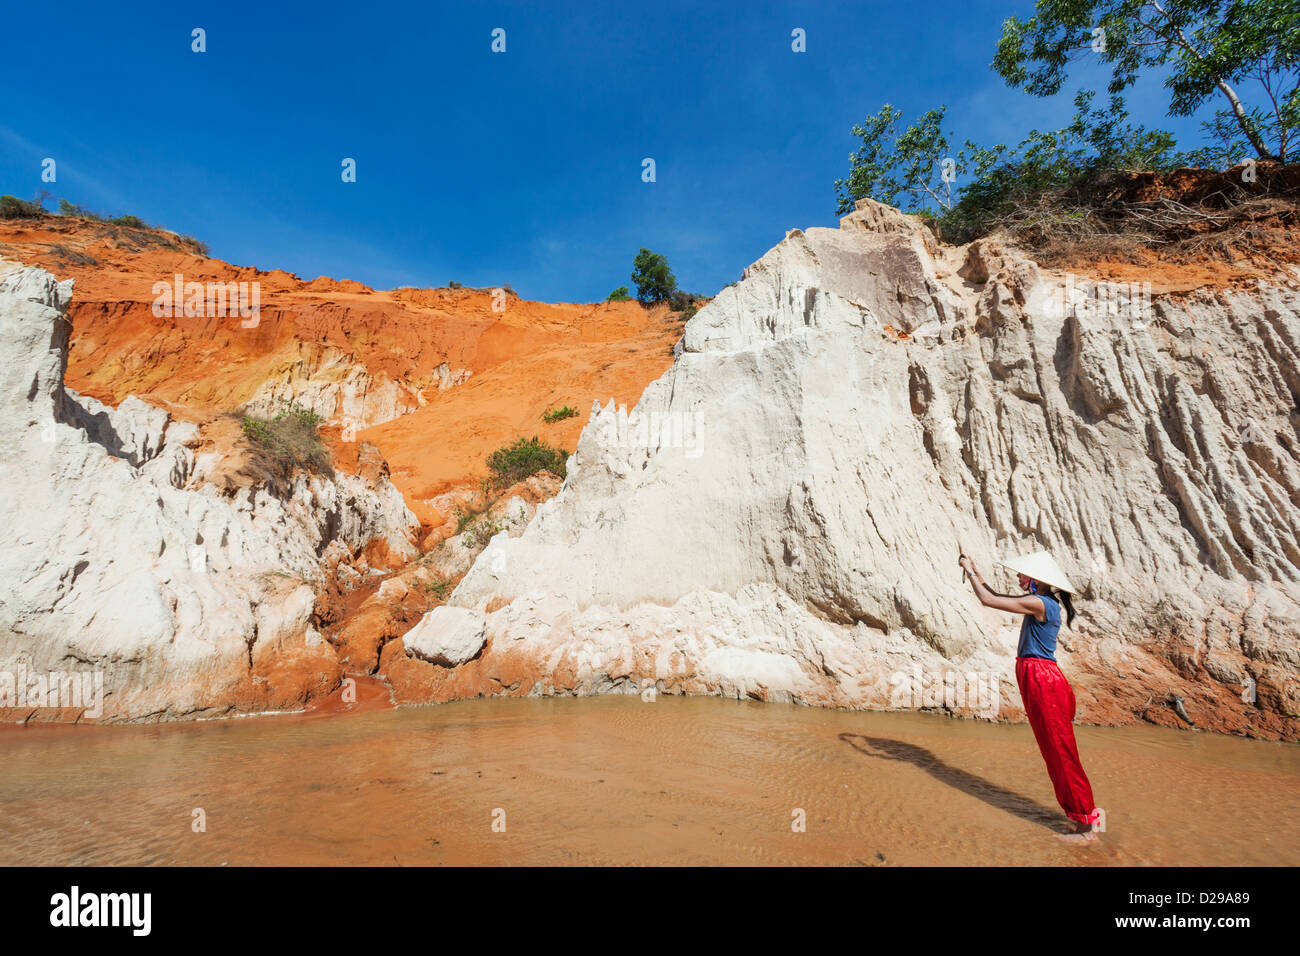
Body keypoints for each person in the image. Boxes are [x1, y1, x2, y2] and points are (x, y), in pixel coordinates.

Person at [958, 549, 1101, 843]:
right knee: (1055, 752)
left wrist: (969, 570)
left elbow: (988, 600)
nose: (1021, 577)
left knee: (1060, 753)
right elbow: (994, 594)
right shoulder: (1042, 601)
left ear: (1040, 580)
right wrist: (972, 568)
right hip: (1038, 677)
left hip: (1043, 680)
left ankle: (1087, 829)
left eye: (1026, 574)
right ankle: (1083, 819)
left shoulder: (1040, 603)